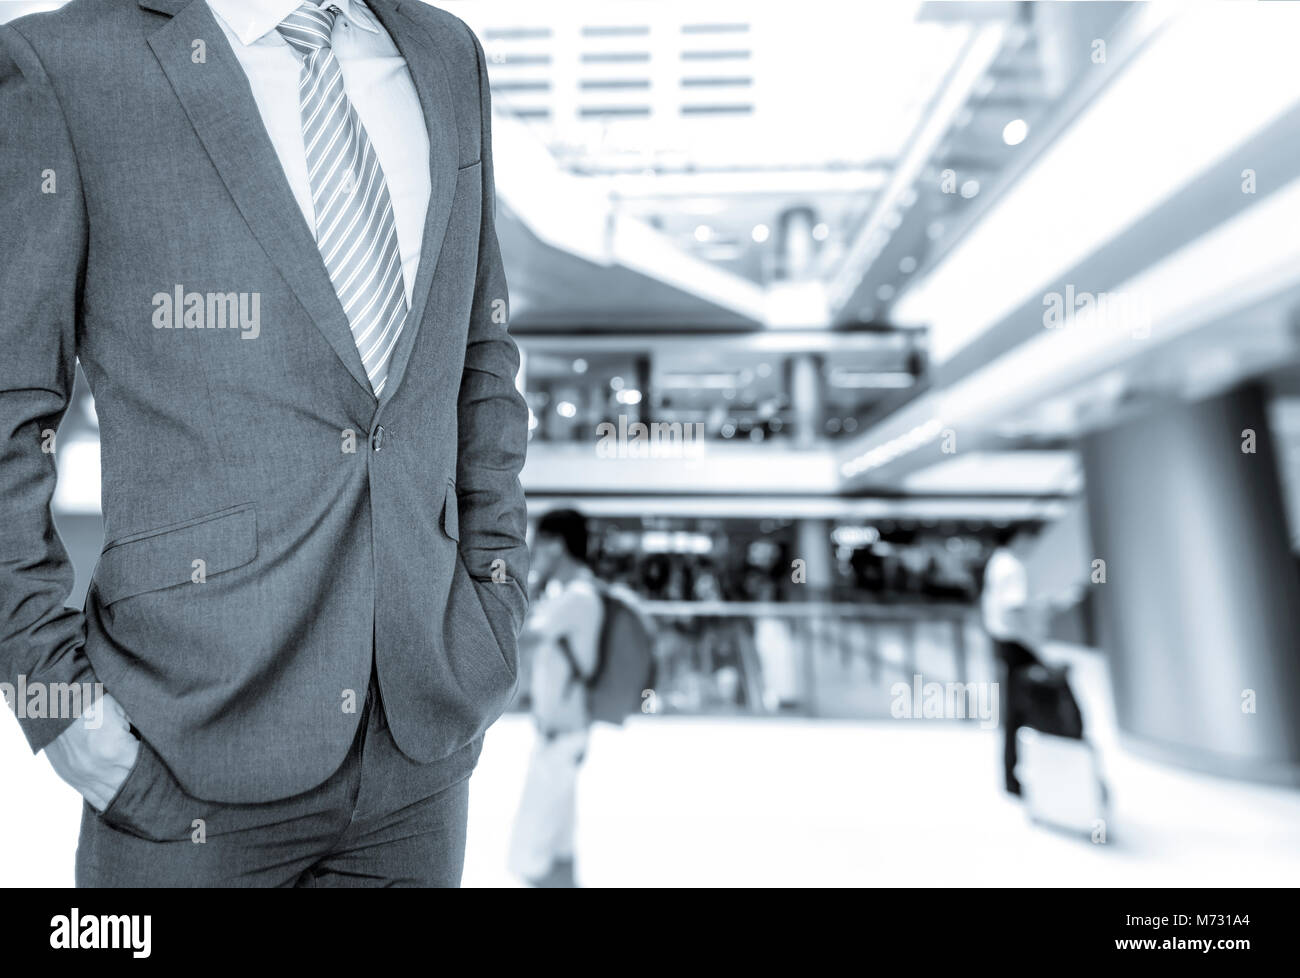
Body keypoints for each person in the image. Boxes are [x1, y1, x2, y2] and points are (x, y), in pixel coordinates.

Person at [0, 0, 529, 886]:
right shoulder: (65, 64)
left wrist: (493, 606)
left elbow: (481, 357)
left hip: (422, 756)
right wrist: (52, 696)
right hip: (181, 751)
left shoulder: (445, 53)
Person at [508, 509, 603, 888]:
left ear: (557, 545)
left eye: (539, 541)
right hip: (565, 735)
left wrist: (526, 581)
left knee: (531, 852)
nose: (533, 550)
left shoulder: (575, 597)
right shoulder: (574, 593)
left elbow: (522, 636)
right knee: (559, 848)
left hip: (559, 740)